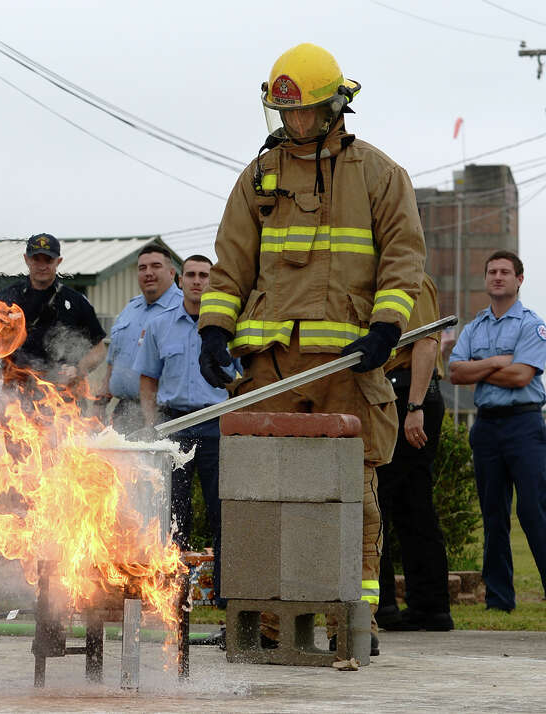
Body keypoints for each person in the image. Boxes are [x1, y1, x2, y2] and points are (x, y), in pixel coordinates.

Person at [195, 44, 425, 654]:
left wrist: (386, 328)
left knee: (355, 501)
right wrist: (213, 332)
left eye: (305, 113)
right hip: (270, 369)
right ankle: (267, 626)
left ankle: (355, 621)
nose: (293, 124)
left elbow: (404, 263)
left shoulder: (380, 175)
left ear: (335, 107)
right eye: (284, 113)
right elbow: (231, 266)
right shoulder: (259, 177)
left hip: (350, 367)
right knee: (263, 499)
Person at [448, 250, 546, 613]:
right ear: (486, 279)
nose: (498, 277)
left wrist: (476, 367)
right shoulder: (474, 328)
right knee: (493, 515)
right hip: (487, 426)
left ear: (519, 279)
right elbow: (455, 373)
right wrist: (494, 362)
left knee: (535, 512)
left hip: (524, 425)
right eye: (492, 271)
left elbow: (522, 376)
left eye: (506, 271)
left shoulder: (531, 324)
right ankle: (500, 599)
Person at [135, 255, 231, 607]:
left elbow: (244, 381)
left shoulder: (227, 328)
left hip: (218, 425)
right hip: (175, 427)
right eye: (190, 274)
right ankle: (172, 596)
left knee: (222, 511)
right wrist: (151, 427)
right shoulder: (161, 326)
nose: (197, 281)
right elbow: (147, 379)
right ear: (180, 279)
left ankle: (224, 597)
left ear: (213, 281)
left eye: (204, 275)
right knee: (173, 514)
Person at [376, 276, 453, 631]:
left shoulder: (412, 280)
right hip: (401, 395)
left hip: (408, 395)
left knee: (380, 500)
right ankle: (427, 606)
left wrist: (414, 406)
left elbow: (425, 341)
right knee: (410, 504)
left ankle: (387, 604)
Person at [0, 234, 107, 388]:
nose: (42, 266)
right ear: (26, 259)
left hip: (62, 397)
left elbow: (99, 350)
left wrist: (78, 370)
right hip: (15, 397)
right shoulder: (6, 300)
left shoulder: (76, 301)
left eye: (48, 260)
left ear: (58, 261)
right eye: (36, 259)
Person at [98, 244, 182, 434]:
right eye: (142, 268)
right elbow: (113, 362)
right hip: (122, 412)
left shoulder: (183, 310)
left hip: (162, 413)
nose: (148, 273)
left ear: (171, 272)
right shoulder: (130, 309)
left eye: (155, 266)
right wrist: (100, 401)